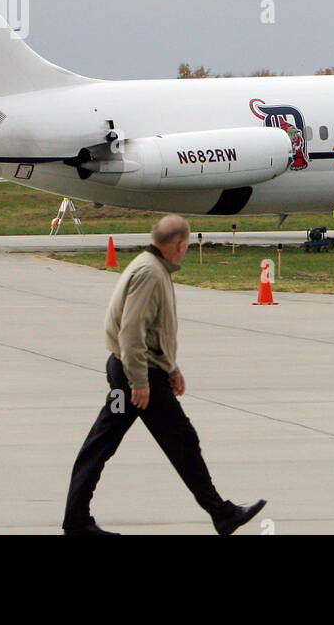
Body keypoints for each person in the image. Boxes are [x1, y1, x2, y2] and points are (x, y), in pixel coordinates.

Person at [62, 214, 266, 535]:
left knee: (101, 444)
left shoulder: (151, 266)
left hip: (130, 371)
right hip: (137, 376)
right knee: (181, 440)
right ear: (180, 244)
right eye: (186, 246)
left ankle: (76, 520)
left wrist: (171, 367)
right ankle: (222, 513)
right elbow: (132, 331)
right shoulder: (150, 273)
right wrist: (140, 381)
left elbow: (155, 330)